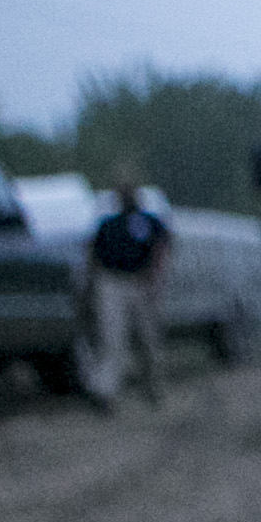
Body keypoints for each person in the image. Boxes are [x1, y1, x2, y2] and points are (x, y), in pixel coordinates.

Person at [84, 176, 171, 414]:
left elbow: (162, 247)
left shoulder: (149, 222)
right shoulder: (107, 225)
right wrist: (91, 287)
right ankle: (105, 392)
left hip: (141, 283)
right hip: (113, 282)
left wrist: (154, 273)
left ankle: (153, 385)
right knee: (113, 339)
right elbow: (93, 255)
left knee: (148, 340)